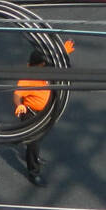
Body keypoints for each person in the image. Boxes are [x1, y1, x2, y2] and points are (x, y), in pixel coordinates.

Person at [13, 42, 74, 183]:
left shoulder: (45, 69)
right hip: (30, 114)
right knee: (33, 141)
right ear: (38, 65)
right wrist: (19, 105)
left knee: (39, 136)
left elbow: (55, 63)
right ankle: (33, 172)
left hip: (45, 113)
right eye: (44, 65)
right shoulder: (27, 79)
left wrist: (63, 52)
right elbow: (17, 95)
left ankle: (31, 150)